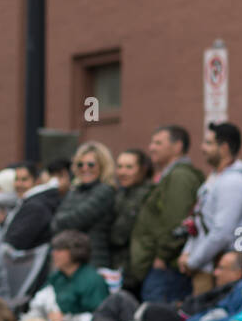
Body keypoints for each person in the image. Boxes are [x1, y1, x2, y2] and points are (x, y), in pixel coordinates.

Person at [126, 125, 205, 302]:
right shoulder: (170, 176)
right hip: (161, 269)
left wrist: (162, 257)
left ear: (177, 146)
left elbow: (178, 222)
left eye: (158, 143)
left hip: (167, 270)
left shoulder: (180, 177)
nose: (151, 147)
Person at [178, 121, 242, 296]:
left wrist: (193, 261)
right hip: (206, 263)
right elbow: (200, 221)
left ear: (224, 148)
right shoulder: (216, 177)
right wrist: (187, 253)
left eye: (208, 143)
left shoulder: (234, 182)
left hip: (217, 266)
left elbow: (223, 232)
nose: (202, 148)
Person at [50, 142, 117, 269]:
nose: (85, 168)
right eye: (80, 164)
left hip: (92, 261)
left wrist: (61, 222)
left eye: (91, 164)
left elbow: (77, 219)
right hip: (68, 263)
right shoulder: (75, 190)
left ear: (102, 166)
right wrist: (61, 221)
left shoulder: (105, 191)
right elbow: (54, 223)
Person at [109, 148, 153, 277]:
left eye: (129, 167)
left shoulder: (147, 194)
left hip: (136, 268)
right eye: (120, 167)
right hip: (119, 265)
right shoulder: (120, 193)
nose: (122, 172)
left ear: (142, 169)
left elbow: (119, 235)